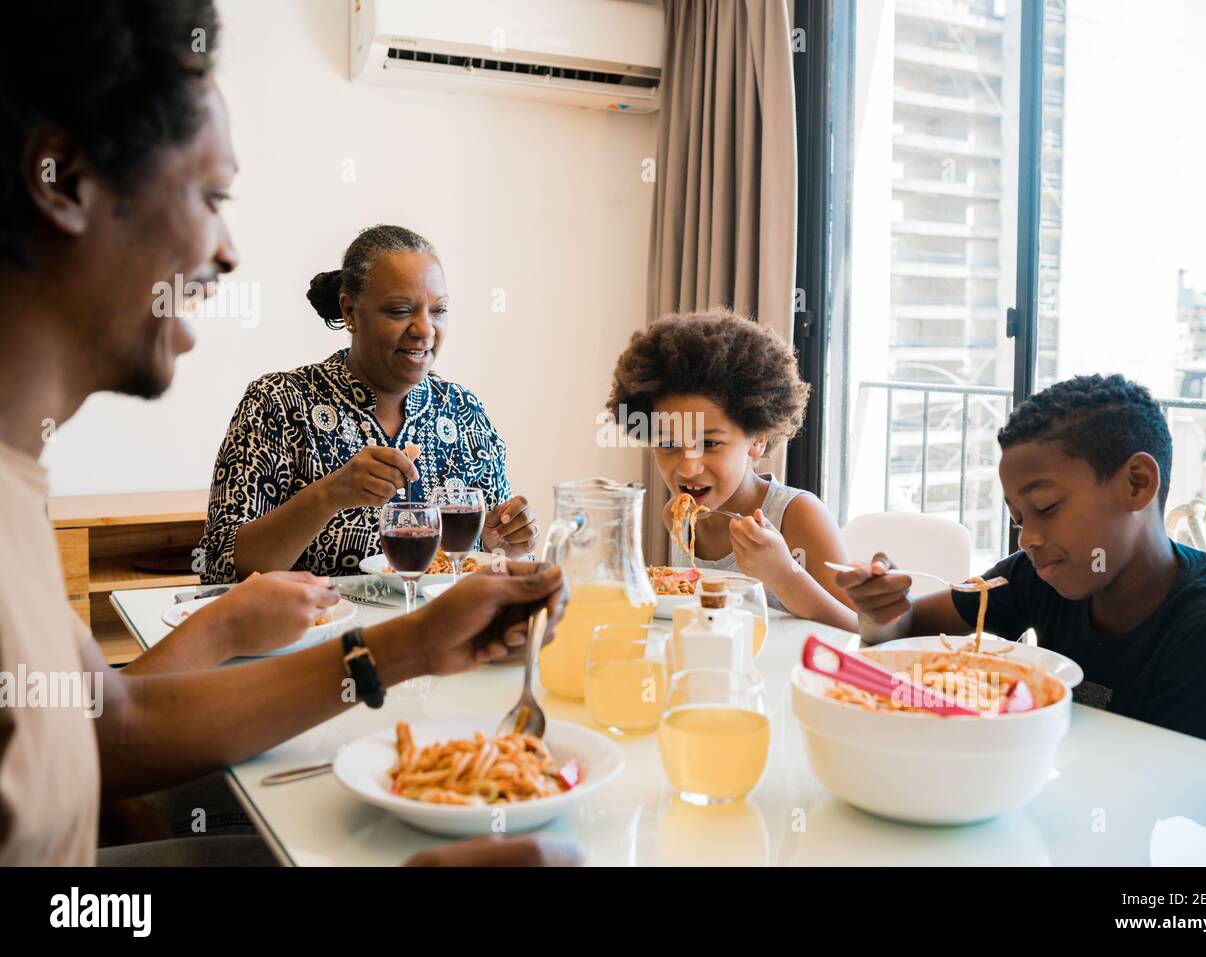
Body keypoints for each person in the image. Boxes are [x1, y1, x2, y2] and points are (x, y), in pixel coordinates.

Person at [0, 0, 575, 867]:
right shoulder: (276, 401)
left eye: (437, 310)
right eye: (211, 195)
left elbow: (107, 728)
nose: (228, 251)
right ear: (65, 178)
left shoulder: (15, 487)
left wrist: (414, 641)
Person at [835, 373, 1206, 762]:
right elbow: (911, 627)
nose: (1027, 538)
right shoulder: (1041, 575)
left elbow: (1171, 803)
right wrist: (882, 611)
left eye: (1047, 507)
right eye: (1018, 519)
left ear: (1137, 484)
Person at [198, 224, 537, 582]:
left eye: (438, 311)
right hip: (319, 634)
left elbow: (494, 561)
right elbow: (219, 566)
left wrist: (504, 543)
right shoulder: (278, 403)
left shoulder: (466, 413)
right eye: (399, 310)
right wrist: (328, 495)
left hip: (442, 632)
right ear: (350, 311)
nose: (425, 330)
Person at [607, 310, 858, 631]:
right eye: (669, 444)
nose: (688, 466)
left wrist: (783, 575)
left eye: (710, 444)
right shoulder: (679, 518)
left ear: (757, 439)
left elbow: (858, 631)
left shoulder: (799, 516)